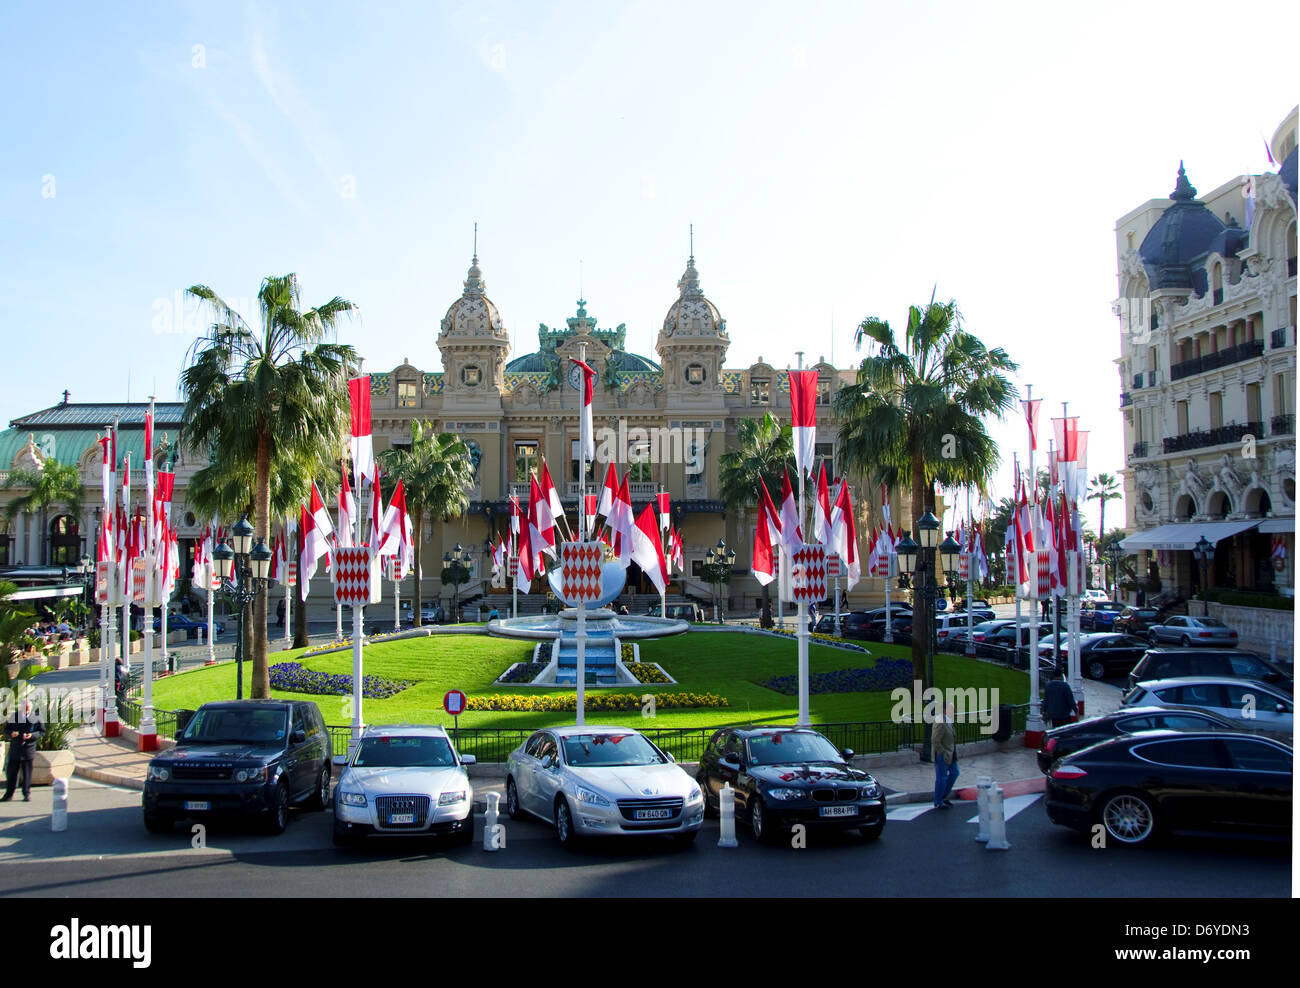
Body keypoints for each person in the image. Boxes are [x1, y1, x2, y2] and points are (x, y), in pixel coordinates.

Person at [2, 697, 43, 802]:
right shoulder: (15, 716)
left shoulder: (36, 717)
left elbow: (41, 732)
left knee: (27, 773)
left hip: (28, 750)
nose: (26, 710)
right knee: (11, 773)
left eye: (28, 708)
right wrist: (11, 734)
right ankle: (9, 794)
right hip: (15, 749)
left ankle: (26, 794)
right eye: (25, 708)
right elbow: (6, 730)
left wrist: (32, 735)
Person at [932, 701, 959, 809]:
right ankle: (938, 801)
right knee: (941, 778)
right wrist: (942, 752)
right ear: (944, 710)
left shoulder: (948, 720)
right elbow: (935, 740)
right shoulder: (940, 721)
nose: (954, 711)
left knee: (955, 773)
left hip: (951, 753)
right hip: (943, 754)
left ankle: (943, 795)